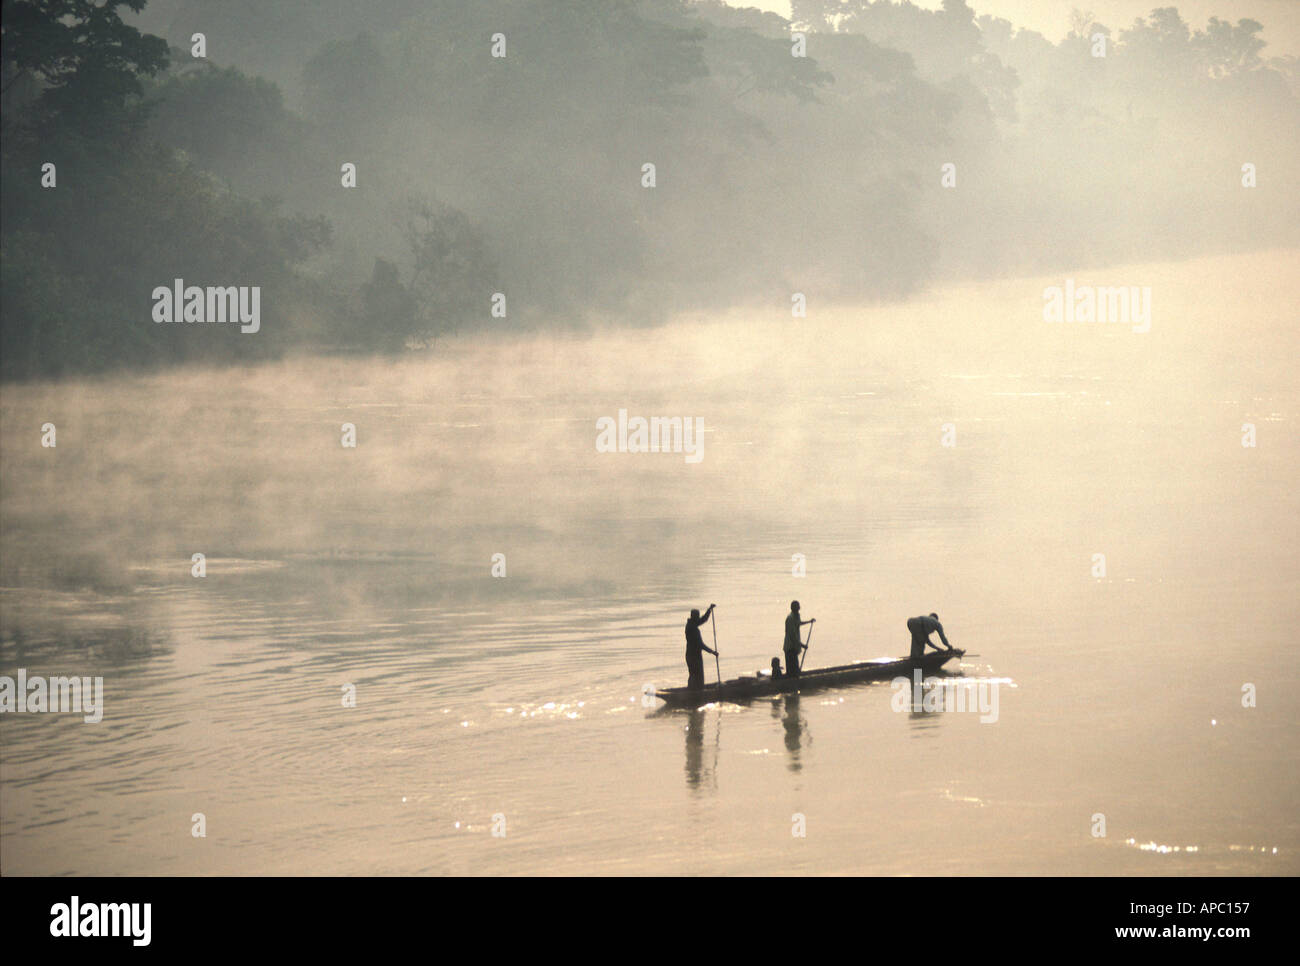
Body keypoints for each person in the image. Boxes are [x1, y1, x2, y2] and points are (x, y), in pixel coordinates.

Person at [684, 604, 717, 689]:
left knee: (696, 676)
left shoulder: (692, 623)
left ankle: (695, 692)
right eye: (697, 616)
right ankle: (694, 693)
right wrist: (712, 652)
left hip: (693, 655)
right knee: (695, 675)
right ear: (694, 617)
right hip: (693, 656)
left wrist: (709, 610)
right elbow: (700, 644)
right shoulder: (692, 629)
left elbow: (703, 620)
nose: (699, 618)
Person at [784, 601, 815, 678]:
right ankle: (791, 684)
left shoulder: (796, 616)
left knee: (795, 670)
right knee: (792, 671)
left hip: (794, 647)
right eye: (797, 607)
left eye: (798, 607)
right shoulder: (790, 618)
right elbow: (793, 637)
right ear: (792, 608)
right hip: (790, 647)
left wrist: (809, 622)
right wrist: (802, 645)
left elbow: (799, 623)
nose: (798, 608)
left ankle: (793, 682)